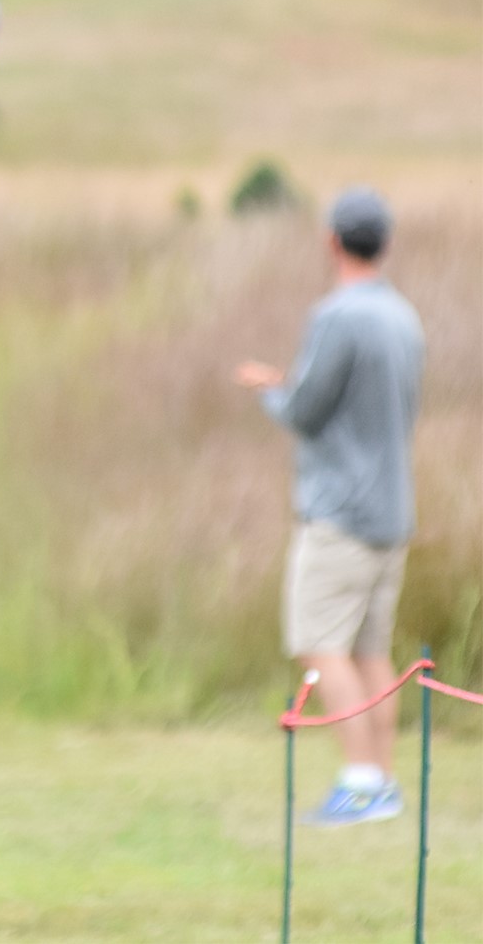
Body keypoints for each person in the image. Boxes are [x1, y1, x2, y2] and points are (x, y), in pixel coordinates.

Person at [236, 188, 424, 828]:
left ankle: (361, 780)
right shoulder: (404, 317)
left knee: (319, 643)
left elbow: (306, 411)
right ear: (386, 244)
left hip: (341, 512)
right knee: (372, 652)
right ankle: (385, 783)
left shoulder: (338, 316)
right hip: (392, 511)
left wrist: (269, 390)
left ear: (333, 242)